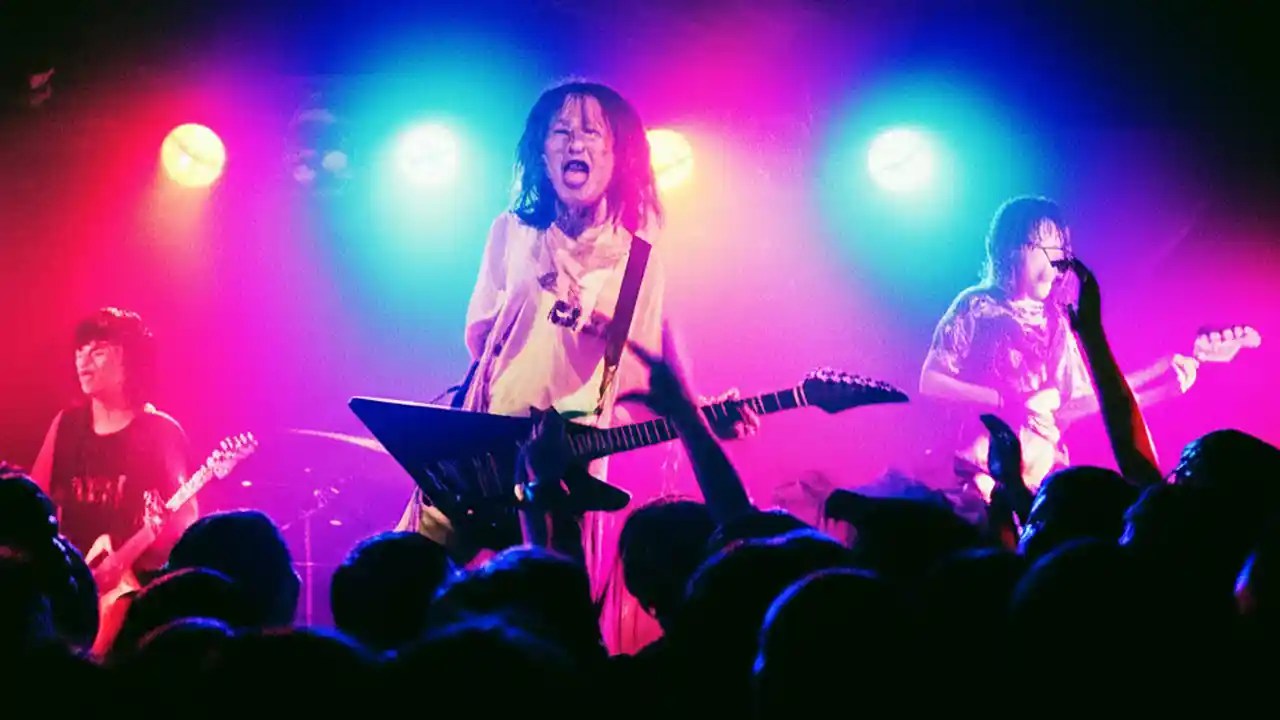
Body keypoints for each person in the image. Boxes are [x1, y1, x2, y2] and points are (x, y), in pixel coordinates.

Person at [395, 80, 757, 646]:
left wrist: (703, 419)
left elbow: (643, 384)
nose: (574, 144)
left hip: (568, 464)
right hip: (479, 448)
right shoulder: (510, 232)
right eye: (560, 132)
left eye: (591, 133)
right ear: (541, 153)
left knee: (549, 620)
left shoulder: (640, 265)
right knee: (407, 591)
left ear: (619, 156)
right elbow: (482, 338)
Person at [919, 196, 1197, 502]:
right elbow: (930, 382)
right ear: (1009, 250)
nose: (1055, 262)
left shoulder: (1057, 320)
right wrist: (1005, 400)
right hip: (978, 473)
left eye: (1059, 250)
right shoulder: (976, 306)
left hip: (1040, 479)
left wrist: (1159, 384)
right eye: (1043, 248)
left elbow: (1077, 402)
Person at [30, 307, 197, 592]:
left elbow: (183, 520)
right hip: (72, 586)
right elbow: (33, 500)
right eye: (81, 350)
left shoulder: (161, 433)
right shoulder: (66, 425)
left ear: (128, 362)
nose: (83, 359)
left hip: (137, 590)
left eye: (98, 351)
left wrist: (128, 559)